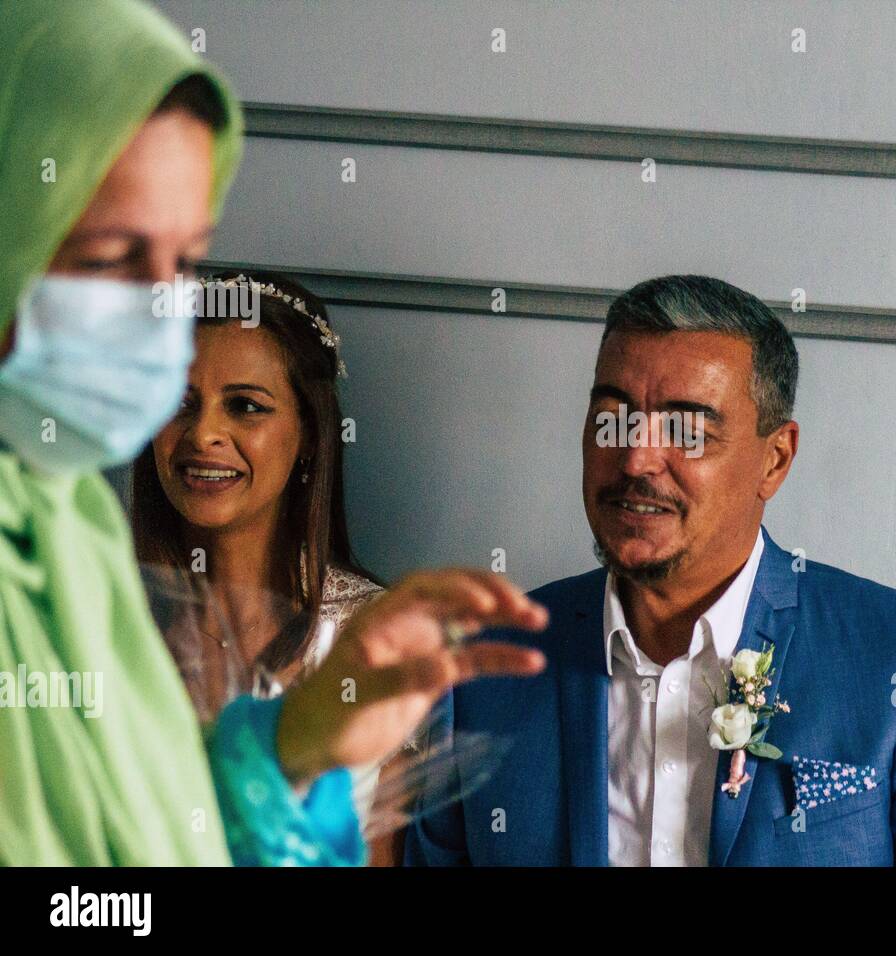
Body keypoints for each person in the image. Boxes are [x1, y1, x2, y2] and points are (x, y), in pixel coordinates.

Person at [0, 0, 545, 866]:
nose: (154, 315)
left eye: (179, 266)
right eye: (111, 258)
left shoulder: (71, 533)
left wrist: (292, 746)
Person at [405, 275, 896, 866]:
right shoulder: (480, 667)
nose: (638, 457)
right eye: (612, 419)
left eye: (687, 431)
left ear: (773, 462)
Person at [131, 269, 396, 853]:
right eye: (179, 402)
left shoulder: (371, 635)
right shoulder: (98, 615)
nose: (203, 434)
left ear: (308, 435)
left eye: (245, 407)